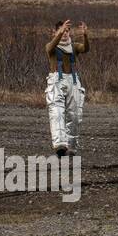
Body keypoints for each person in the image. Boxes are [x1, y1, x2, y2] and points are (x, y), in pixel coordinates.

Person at [46, 19, 89, 157]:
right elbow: (49, 48)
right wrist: (59, 33)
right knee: (57, 113)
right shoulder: (51, 46)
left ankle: (71, 147)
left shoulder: (74, 46)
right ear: (55, 32)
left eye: (67, 31)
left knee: (75, 115)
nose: (65, 33)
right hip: (56, 80)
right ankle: (60, 145)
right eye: (62, 31)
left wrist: (85, 35)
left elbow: (85, 49)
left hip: (73, 81)